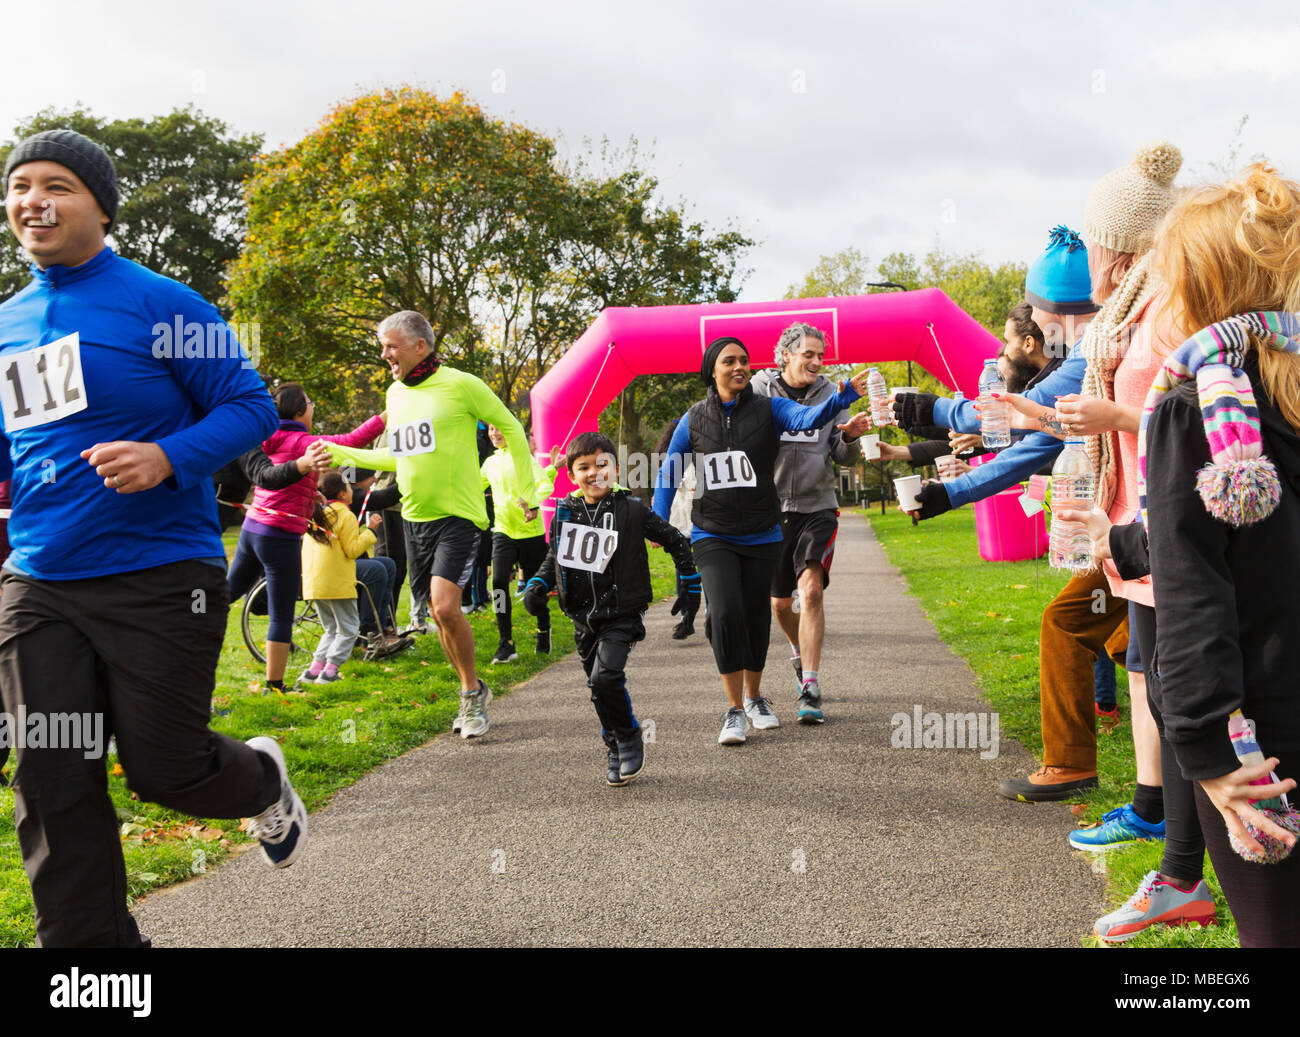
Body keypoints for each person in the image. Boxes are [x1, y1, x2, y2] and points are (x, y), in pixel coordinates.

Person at [0, 128, 305, 947]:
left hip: (162, 574)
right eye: (21, 184)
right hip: (40, 579)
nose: (35, 200)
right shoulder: (8, 322)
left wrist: (166, 456)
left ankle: (262, 776)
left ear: (101, 205)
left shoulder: (163, 303)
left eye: (57, 184)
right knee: (51, 775)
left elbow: (250, 409)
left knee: (164, 768)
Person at [1068, 164, 1300, 946]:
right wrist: (1129, 539)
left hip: (1254, 731)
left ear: (1200, 285)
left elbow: (1196, 591)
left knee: (1272, 928)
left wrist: (1201, 748)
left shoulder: (1192, 405)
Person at [991, 144, 1182, 807]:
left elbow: (1195, 423)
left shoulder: (1162, 314)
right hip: (1125, 528)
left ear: (1120, 249)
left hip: (1157, 530)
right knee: (1137, 666)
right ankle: (1155, 819)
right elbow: (1105, 418)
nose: (1087, 258)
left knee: (1148, 669)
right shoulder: (1124, 317)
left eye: (1095, 243)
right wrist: (1036, 414)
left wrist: (1112, 414)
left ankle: (1169, 827)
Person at [325, 310, 534, 740]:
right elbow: (396, 457)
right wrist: (338, 451)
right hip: (414, 518)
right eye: (382, 346)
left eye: (391, 345)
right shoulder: (396, 395)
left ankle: (472, 696)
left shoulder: (462, 385)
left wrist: (528, 491)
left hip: (459, 517)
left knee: (442, 606)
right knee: (440, 619)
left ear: (420, 345)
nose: (385, 354)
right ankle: (471, 687)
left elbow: (511, 426)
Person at [653, 337, 869, 743]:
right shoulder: (694, 418)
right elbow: (669, 472)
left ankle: (755, 698)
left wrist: (842, 399)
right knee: (725, 613)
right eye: (729, 361)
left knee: (755, 618)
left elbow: (809, 419)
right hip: (713, 533)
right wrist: (657, 524)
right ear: (711, 370)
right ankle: (733, 709)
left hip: (762, 533)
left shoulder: (769, 408)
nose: (739, 367)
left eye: (744, 361)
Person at [523, 432, 698, 785]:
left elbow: (676, 539)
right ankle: (614, 743)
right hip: (582, 616)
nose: (594, 473)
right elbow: (554, 558)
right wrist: (539, 583)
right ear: (571, 475)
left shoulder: (632, 510)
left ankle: (631, 734)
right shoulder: (565, 512)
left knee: (606, 677)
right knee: (596, 685)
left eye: (602, 464)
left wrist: (690, 582)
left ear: (616, 469)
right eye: (584, 467)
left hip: (622, 612)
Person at [225, 382, 386, 693]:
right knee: (282, 611)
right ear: (300, 412)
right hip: (280, 535)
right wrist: (384, 417)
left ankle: (188, 620)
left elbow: (283, 481)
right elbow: (352, 440)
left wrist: (313, 495)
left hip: (252, 528)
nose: (313, 407)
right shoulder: (307, 444)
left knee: (226, 593)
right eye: (310, 403)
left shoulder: (267, 435)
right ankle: (275, 684)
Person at [751, 321, 864, 723]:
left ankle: (810, 686)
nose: (817, 362)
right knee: (781, 604)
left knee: (811, 591)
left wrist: (849, 438)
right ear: (786, 355)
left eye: (821, 355)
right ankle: (798, 653)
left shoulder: (833, 394)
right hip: (771, 509)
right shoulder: (760, 391)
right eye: (808, 354)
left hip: (818, 505)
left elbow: (844, 457)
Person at [480, 425, 559, 662]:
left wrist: (531, 502)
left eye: (499, 429)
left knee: (536, 591)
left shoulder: (523, 457)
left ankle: (543, 629)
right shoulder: (490, 463)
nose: (494, 434)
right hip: (503, 531)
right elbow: (473, 487)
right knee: (498, 583)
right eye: (491, 430)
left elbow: (545, 485)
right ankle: (506, 642)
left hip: (531, 534)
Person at [299, 470, 386, 684]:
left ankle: (313, 670)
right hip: (336, 581)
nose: (352, 491)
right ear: (341, 493)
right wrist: (371, 531)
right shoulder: (344, 514)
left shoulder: (317, 513)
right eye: (349, 487)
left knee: (331, 628)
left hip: (314, 583)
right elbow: (353, 550)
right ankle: (330, 671)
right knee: (348, 629)